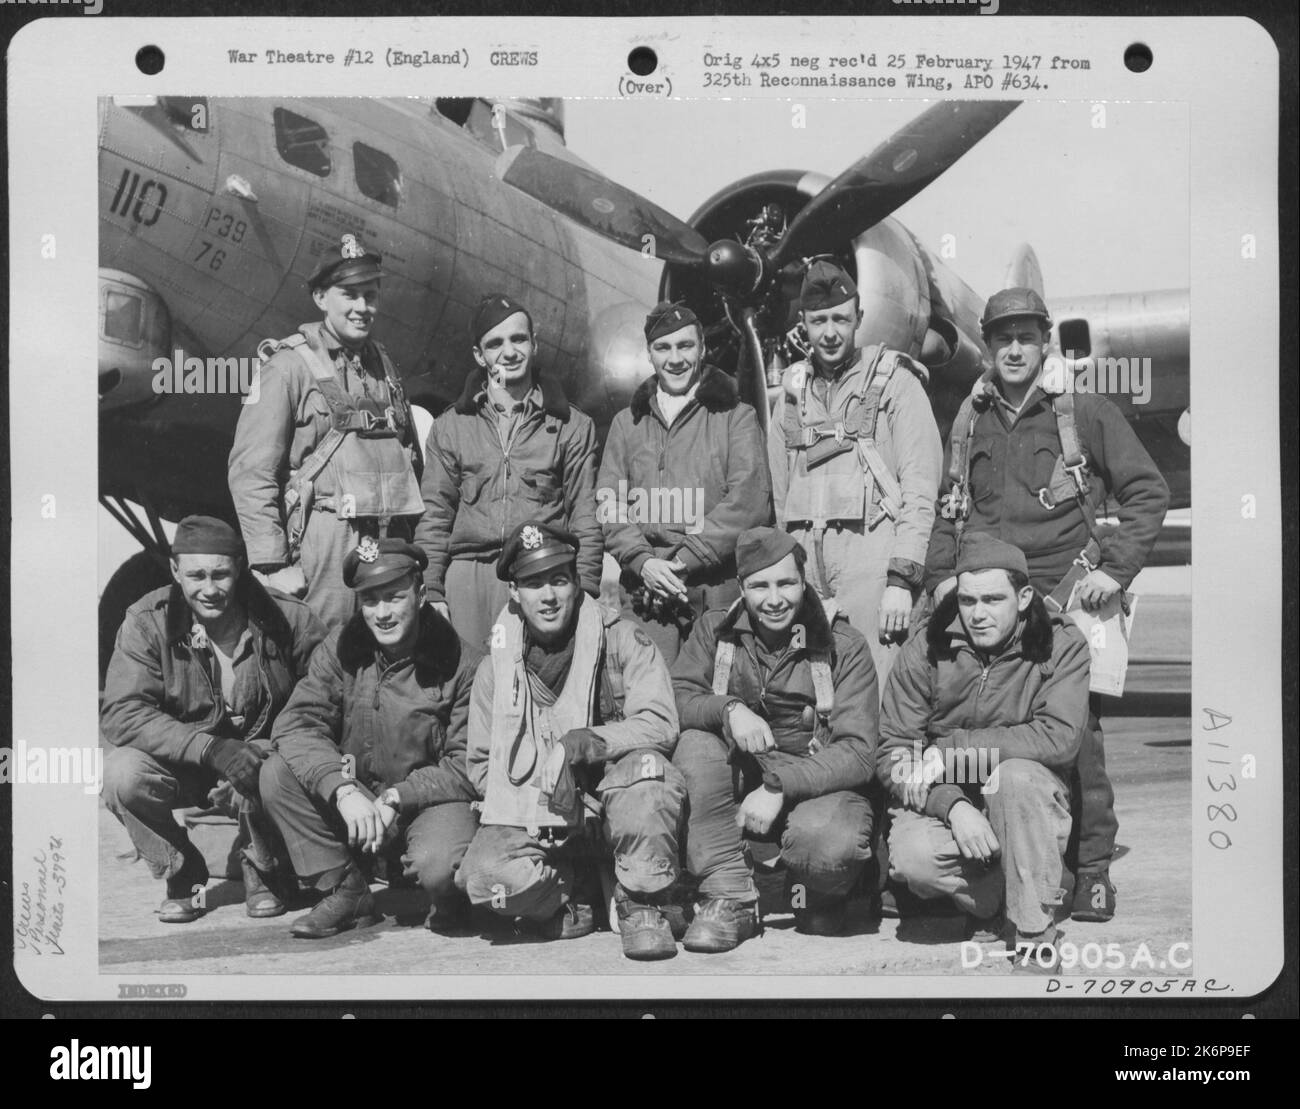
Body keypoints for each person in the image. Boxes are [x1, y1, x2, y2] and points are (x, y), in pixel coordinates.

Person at [925, 287, 1170, 922]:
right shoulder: (969, 420)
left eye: (1026, 337)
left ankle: (1090, 870)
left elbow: (1148, 490)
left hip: (1066, 604)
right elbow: (949, 512)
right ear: (987, 343)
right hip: (989, 608)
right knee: (978, 730)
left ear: (1044, 342)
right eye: (1002, 337)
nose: (1013, 349)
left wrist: (1115, 572)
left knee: (1077, 740)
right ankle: (1005, 860)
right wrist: (938, 581)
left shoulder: (1083, 411)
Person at [455, 522, 686, 961]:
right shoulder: (495, 667)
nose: (548, 596)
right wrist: (530, 806)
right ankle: (571, 896)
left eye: (559, 580)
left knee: (648, 776)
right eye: (533, 583)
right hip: (540, 819)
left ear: (577, 583)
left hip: (610, 801)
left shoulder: (621, 638)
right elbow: (482, 764)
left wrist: (585, 743)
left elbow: (661, 723)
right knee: (484, 882)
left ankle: (641, 901)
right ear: (514, 593)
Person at [881, 533, 1091, 973]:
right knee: (915, 857)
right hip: (947, 799)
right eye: (968, 600)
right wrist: (953, 805)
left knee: (1014, 776)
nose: (978, 614)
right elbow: (895, 750)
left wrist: (956, 751)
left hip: (1019, 794)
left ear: (1025, 596)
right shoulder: (928, 644)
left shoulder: (1060, 644)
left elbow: (1059, 738)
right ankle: (1006, 898)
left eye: (994, 600)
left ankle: (1034, 932)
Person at [101, 515, 326, 923]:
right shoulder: (145, 620)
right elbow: (122, 711)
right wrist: (209, 748)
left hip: (261, 759)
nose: (210, 589)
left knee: (262, 767)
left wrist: (273, 746)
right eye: (197, 575)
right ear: (174, 570)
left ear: (239, 567)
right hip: (186, 761)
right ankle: (183, 871)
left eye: (221, 574)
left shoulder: (288, 618)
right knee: (120, 774)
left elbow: (326, 694)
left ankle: (263, 867)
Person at [258, 539, 481, 938]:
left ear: (422, 594)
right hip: (358, 802)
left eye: (394, 598)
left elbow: (467, 762)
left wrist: (400, 797)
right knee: (276, 773)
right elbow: (296, 725)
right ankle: (346, 890)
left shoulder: (461, 662)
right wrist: (342, 789)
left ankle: (446, 896)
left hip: (423, 804)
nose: (381, 614)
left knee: (439, 865)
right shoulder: (341, 647)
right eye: (370, 600)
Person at [671, 526, 877, 951]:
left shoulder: (843, 644)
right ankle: (730, 895)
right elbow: (677, 699)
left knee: (827, 848)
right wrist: (729, 708)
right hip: (743, 785)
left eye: (787, 583)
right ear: (742, 588)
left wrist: (778, 787)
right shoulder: (716, 631)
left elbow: (858, 753)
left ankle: (809, 884)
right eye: (759, 586)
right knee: (694, 745)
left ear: (805, 582)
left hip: (816, 786)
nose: (775, 598)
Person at [229, 233, 425, 630]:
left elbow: (409, 454)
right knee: (322, 660)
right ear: (320, 298)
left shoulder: (384, 366)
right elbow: (251, 471)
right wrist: (272, 563)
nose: (362, 307)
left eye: (370, 295)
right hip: (324, 545)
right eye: (349, 295)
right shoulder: (286, 366)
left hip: (386, 541)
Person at [767, 260, 942, 690]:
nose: (830, 333)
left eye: (841, 319)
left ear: (858, 319)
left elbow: (920, 491)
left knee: (880, 700)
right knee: (812, 700)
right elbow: (777, 498)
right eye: (819, 321)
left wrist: (901, 581)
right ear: (802, 323)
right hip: (805, 574)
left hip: (874, 570)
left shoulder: (897, 384)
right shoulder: (789, 397)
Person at [415, 294, 603, 650]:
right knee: (468, 686)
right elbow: (435, 515)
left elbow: (585, 515)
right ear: (478, 355)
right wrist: (433, 590)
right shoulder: (451, 427)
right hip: (468, 577)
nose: (509, 352)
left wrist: (588, 590)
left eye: (518, 339)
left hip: (538, 573)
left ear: (534, 344)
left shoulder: (572, 425)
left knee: (536, 684)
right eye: (495, 343)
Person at [597, 300, 772, 665]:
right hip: (647, 593)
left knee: (712, 699)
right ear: (650, 354)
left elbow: (749, 502)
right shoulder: (625, 425)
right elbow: (610, 504)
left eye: (685, 346)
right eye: (663, 348)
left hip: (715, 590)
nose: (675, 359)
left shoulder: (736, 417)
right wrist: (643, 562)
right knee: (649, 703)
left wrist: (682, 561)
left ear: (703, 348)